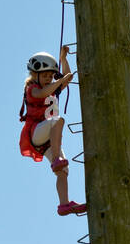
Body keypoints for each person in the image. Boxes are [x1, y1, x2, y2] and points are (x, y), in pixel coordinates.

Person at [19, 46, 86, 217]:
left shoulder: (51, 86)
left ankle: (64, 204)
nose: (49, 78)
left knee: (63, 171)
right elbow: (43, 92)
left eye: (51, 75)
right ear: (35, 75)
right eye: (46, 75)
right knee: (57, 121)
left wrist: (63, 59)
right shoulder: (32, 89)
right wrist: (59, 81)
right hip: (36, 133)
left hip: (47, 139)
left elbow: (66, 79)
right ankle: (56, 158)